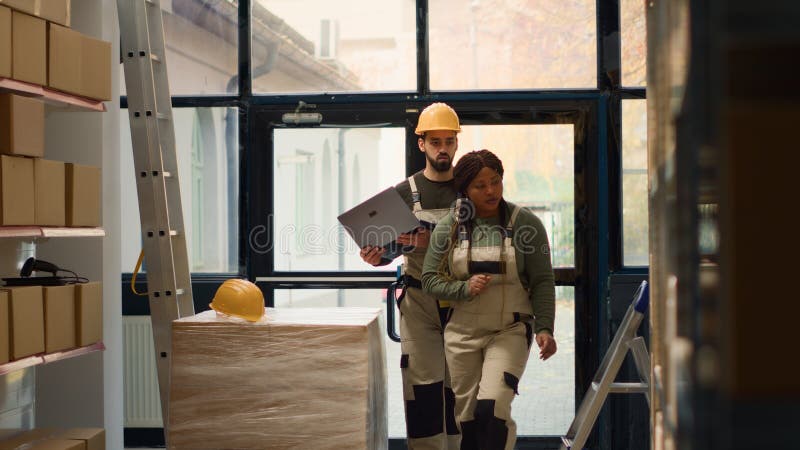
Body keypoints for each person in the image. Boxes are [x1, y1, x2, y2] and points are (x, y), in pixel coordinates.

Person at [421, 149, 557, 450]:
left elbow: (543, 280)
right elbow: (429, 280)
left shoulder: (526, 224)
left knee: (492, 410)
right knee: (467, 420)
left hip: (509, 331)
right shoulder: (450, 226)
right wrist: (463, 289)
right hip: (462, 335)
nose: (491, 191)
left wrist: (545, 327)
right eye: (480, 186)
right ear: (465, 190)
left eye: (495, 181)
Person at [359, 102, 462, 450]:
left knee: (462, 390)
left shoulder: (472, 190)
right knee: (422, 389)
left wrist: (432, 240)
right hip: (419, 306)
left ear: (456, 143)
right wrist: (376, 257)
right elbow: (390, 251)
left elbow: (488, 244)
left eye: (449, 141)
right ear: (422, 144)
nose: (443, 148)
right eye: (435, 142)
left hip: (466, 304)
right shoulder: (405, 194)